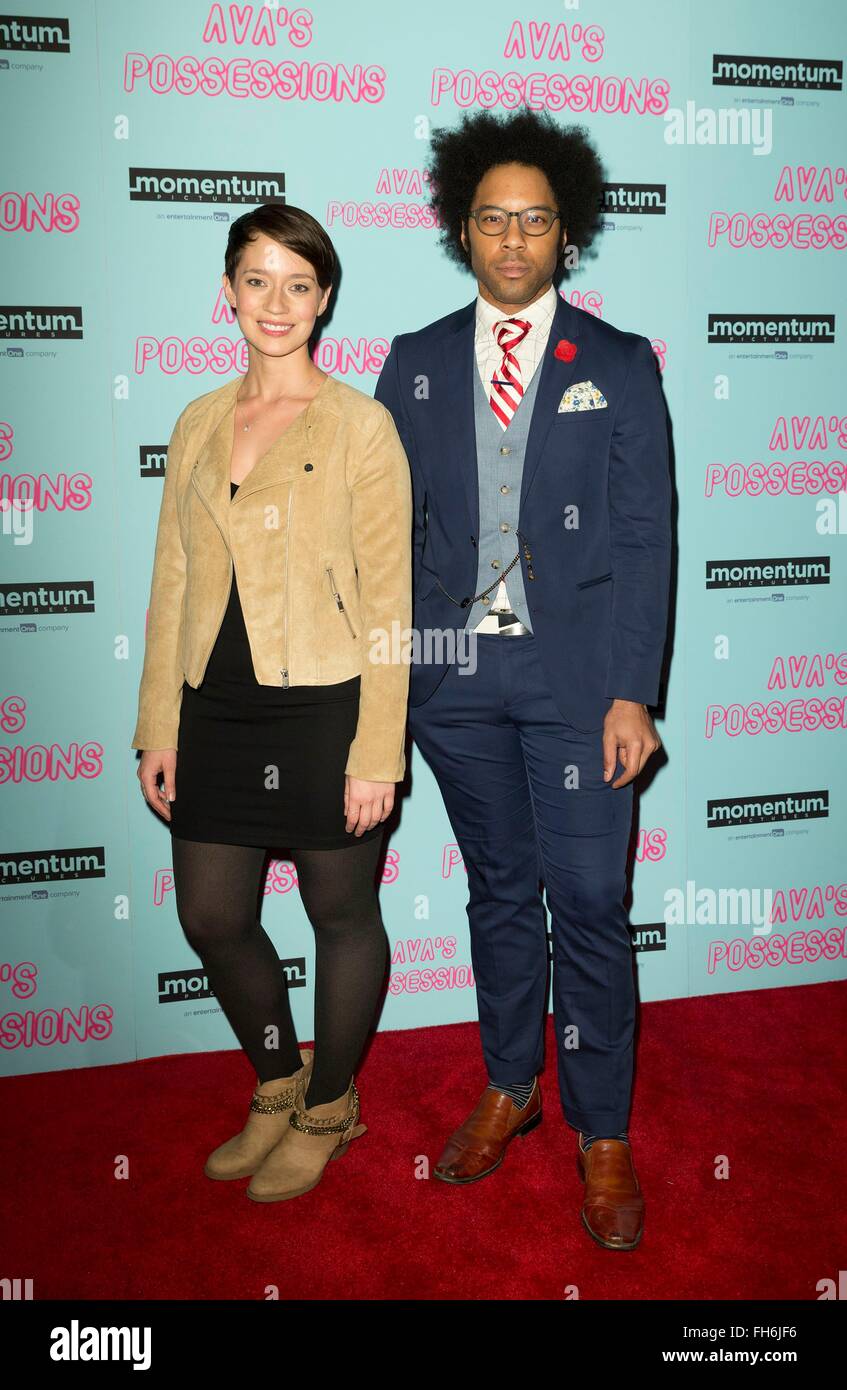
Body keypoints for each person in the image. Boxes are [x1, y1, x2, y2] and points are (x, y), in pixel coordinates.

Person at [374, 110, 671, 1250]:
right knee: (499, 890)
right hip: (454, 680)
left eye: (534, 219)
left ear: (567, 233)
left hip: (581, 679)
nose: (511, 239)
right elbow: (390, 536)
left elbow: (647, 533)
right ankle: (512, 1084)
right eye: (491, 217)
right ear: (462, 227)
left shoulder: (618, 361)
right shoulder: (409, 363)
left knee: (590, 902)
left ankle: (602, 1131)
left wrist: (632, 689)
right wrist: (398, 682)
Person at [131, 203, 412, 1203]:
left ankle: (331, 1105)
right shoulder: (199, 420)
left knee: (340, 913)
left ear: (325, 298)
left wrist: (379, 750)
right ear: (228, 292)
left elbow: (390, 603)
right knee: (212, 915)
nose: (277, 302)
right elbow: (171, 582)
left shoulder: (360, 425)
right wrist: (158, 724)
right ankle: (276, 1079)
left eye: (299, 283)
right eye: (257, 280)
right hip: (216, 704)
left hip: (326, 705)